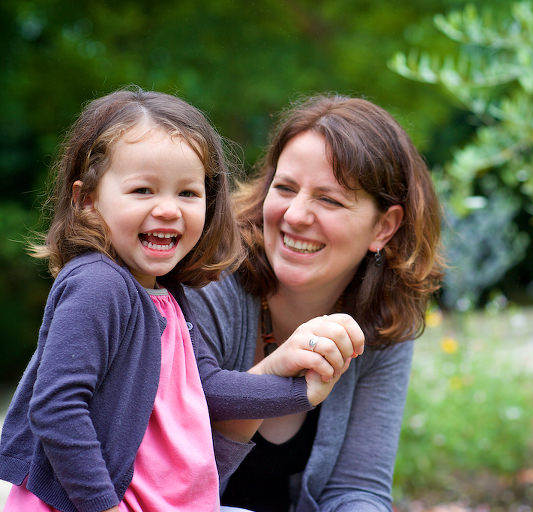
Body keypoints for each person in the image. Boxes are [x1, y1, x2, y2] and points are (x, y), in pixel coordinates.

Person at [0, 87, 363, 512]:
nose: (169, 209)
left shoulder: (165, 292)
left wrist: (300, 393)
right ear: (87, 201)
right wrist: (102, 506)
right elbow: (57, 407)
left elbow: (206, 386)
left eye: (187, 193)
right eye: (143, 190)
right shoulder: (99, 285)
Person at [188, 94, 444, 511]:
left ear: (384, 227)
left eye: (329, 199)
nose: (295, 215)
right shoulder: (204, 288)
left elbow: (357, 490)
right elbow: (172, 479)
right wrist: (272, 377)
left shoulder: (384, 322)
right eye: (285, 188)